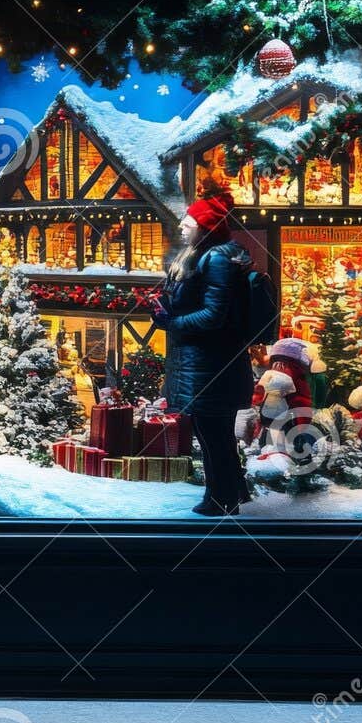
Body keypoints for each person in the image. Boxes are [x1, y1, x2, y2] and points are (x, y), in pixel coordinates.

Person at [154, 192, 254, 517]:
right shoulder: (205, 255)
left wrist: (172, 321)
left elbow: (214, 315)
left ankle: (221, 500)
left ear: (205, 227)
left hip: (211, 366)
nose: (182, 225)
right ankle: (233, 491)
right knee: (216, 432)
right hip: (206, 364)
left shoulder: (216, 259)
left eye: (190, 221)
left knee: (212, 433)